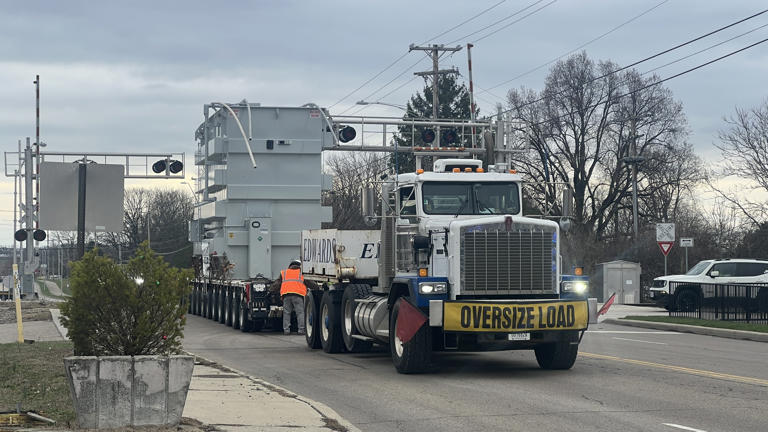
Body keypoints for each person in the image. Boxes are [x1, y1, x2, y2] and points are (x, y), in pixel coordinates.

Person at [275, 259, 306, 335]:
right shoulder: (302, 273)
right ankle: (301, 330)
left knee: (286, 313)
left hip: (286, 295)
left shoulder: (284, 273)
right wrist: (318, 288)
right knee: (300, 313)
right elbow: (310, 283)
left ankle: (286, 330)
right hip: (298, 295)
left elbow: (277, 284)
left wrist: (270, 290)